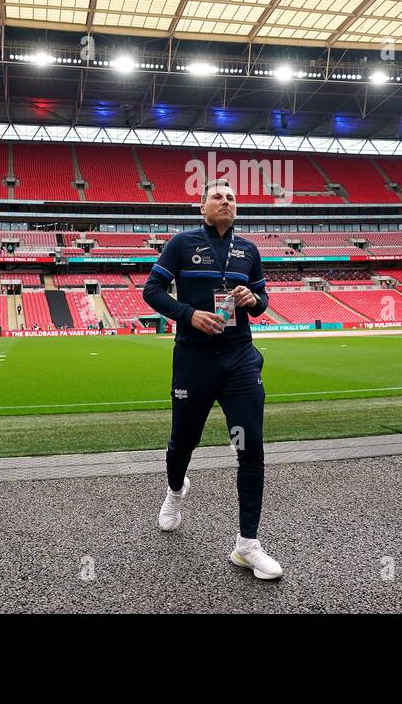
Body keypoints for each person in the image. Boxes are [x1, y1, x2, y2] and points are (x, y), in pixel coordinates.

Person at [141, 178, 281, 580]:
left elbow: (262, 302)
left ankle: (247, 546)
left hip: (239, 359)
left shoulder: (249, 250)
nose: (226, 201)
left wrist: (254, 300)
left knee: (249, 445)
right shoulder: (182, 244)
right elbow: (152, 290)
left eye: (232, 197)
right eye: (217, 196)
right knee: (184, 440)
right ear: (201, 207)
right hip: (194, 359)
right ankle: (175, 491)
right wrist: (189, 314)